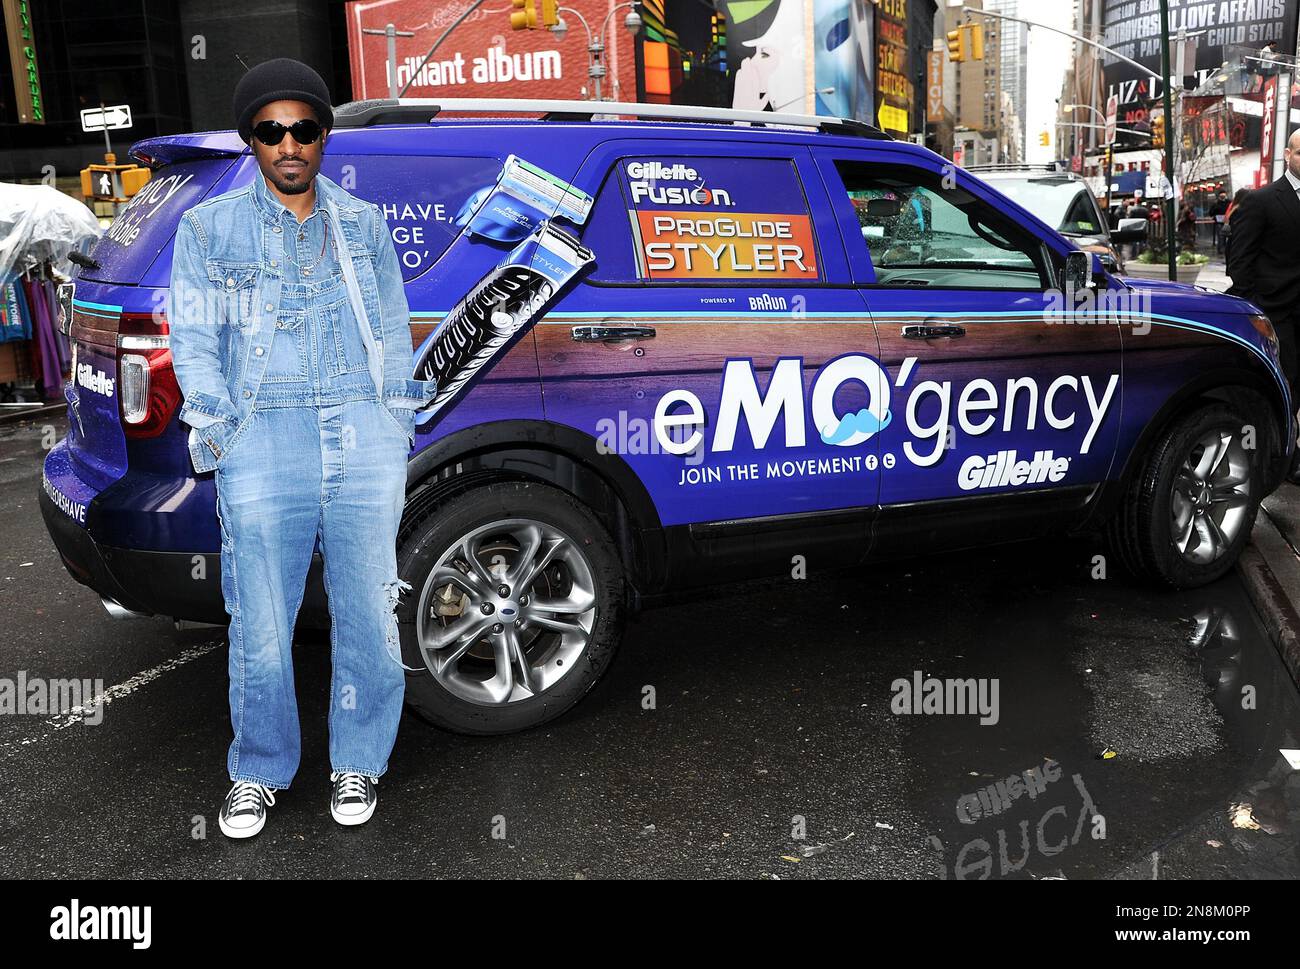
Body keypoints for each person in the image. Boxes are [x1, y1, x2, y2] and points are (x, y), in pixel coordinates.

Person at [168, 58, 437, 838]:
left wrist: (394, 422)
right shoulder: (207, 229)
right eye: (270, 130)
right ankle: (257, 769)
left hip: (361, 428)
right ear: (251, 139)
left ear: (322, 136)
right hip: (263, 431)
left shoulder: (363, 225)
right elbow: (193, 338)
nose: (289, 144)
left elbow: (392, 330)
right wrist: (223, 428)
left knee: (368, 613)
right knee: (258, 620)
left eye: (304, 129)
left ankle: (358, 758)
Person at [1226, 128, 1300, 480]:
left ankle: (1287, 453)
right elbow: (1239, 263)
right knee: (1285, 384)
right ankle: (1275, 459)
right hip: (1275, 311)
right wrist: (1255, 307)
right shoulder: (1262, 200)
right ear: (1288, 155)